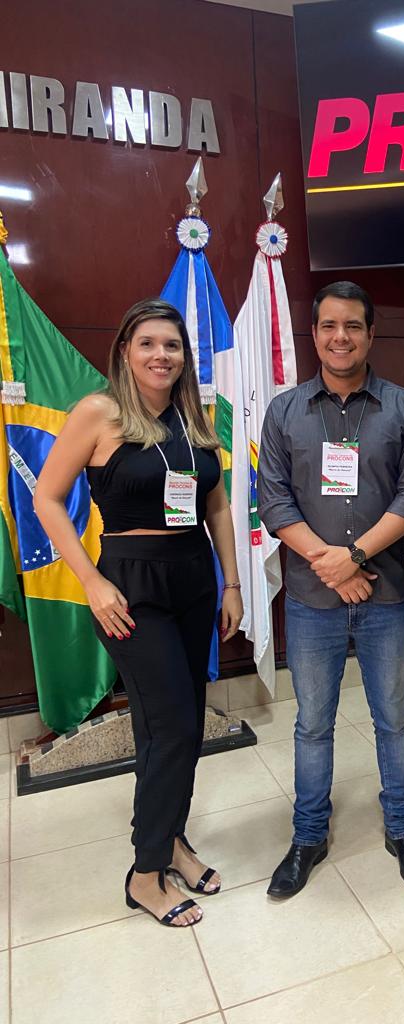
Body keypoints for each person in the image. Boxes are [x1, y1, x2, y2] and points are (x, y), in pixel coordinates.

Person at [35, 298, 243, 928]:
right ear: (125, 350)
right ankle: (144, 873)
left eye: (173, 346)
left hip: (192, 580)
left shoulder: (192, 418)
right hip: (129, 586)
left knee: (171, 727)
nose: (162, 356)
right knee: (176, 724)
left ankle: (171, 842)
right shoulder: (99, 413)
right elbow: (45, 498)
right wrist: (92, 581)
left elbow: (219, 507)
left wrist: (231, 583)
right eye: (148, 343)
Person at [258, 280, 404, 898]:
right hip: (312, 599)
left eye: (353, 326)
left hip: (387, 596)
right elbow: (273, 500)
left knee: (394, 719)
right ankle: (308, 836)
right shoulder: (284, 411)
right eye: (329, 326)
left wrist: (355, 555)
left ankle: (403, 831)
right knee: (313, 724)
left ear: (370, 334)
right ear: (314, 335)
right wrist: (330, 565)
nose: (341, 337)